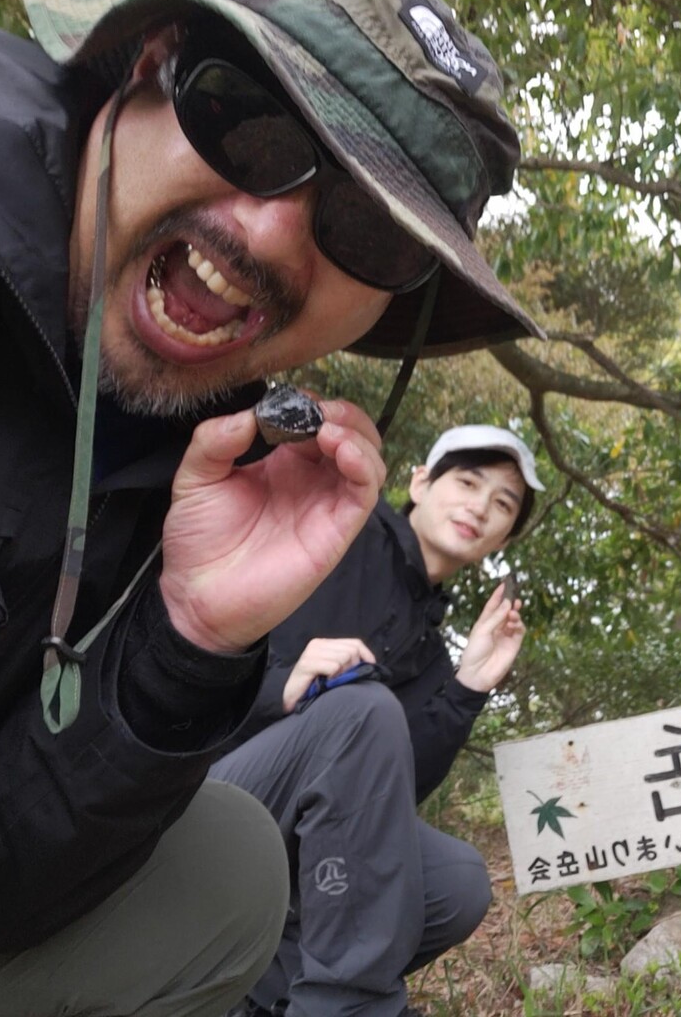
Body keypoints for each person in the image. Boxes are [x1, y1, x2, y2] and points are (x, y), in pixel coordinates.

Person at [0, 0, 539, 1013]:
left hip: (110, 828)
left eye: (365, 227)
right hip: (245, 777)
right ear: (150, 61)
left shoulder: (212, 461)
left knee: (340, 873)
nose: (269, 233)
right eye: (249, 119)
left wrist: (185, 644)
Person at [211, 424, 543, 1017]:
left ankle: (251, 994)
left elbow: (388, 794)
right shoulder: (338, 536)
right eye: (468, 482)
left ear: (501, 541)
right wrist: (278, 679)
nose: (481, 507)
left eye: (502, 505)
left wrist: (467, 688)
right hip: (205, 791)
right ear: (420, 481)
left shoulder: (433, 653)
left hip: (291, 846)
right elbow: (202, 623)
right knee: (362, 710)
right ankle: (349, 1007)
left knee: (457, 883)